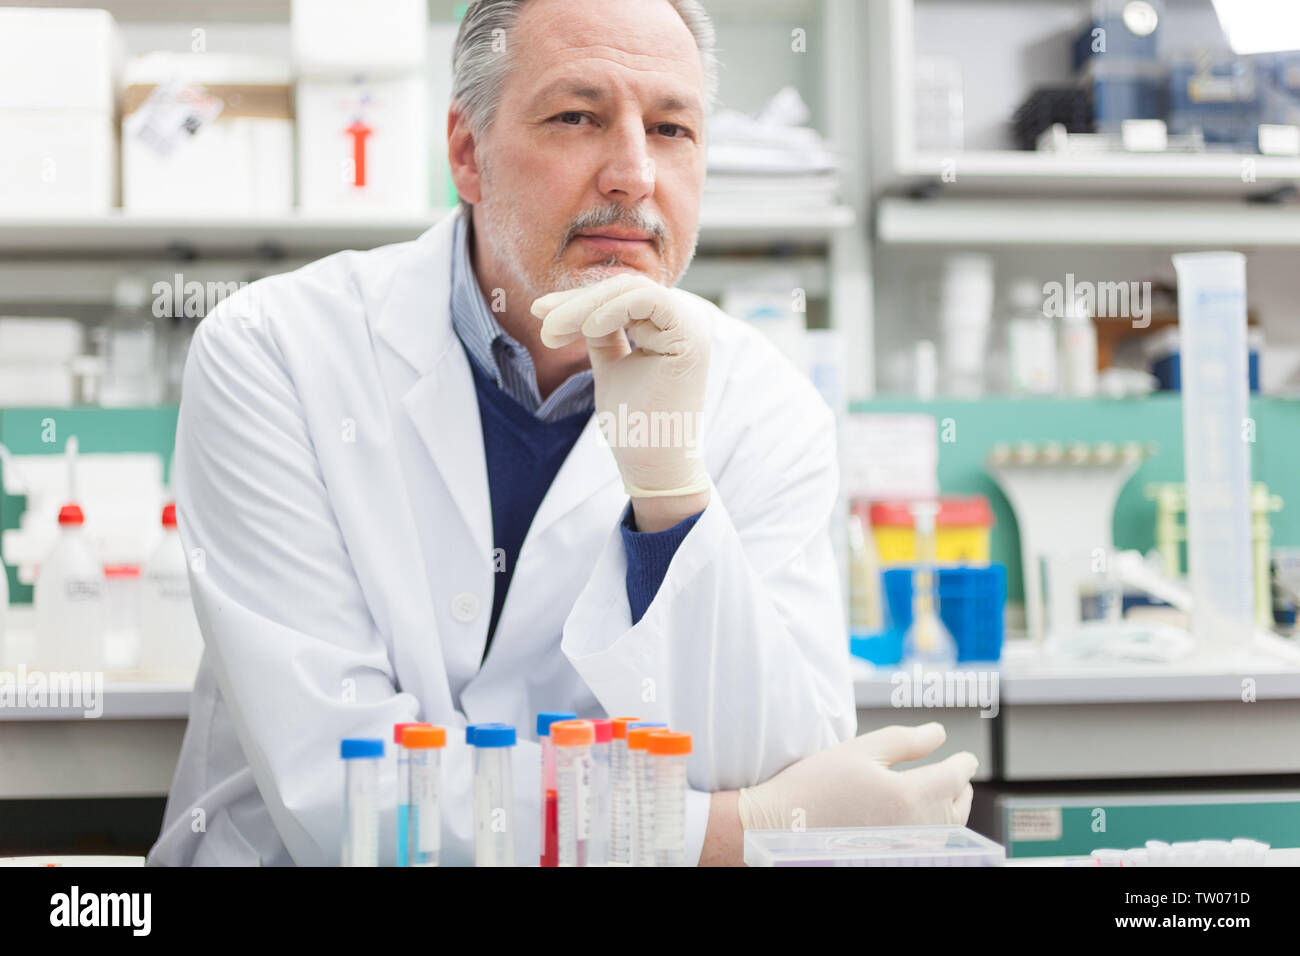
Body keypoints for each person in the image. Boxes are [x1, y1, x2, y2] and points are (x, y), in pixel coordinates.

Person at [149, 0, 976, 867]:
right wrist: (738, 830)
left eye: (671, 129)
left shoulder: (771, 408)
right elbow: (344, 792)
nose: (633, 173)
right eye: (577, 117)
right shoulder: (273, 352)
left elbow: (775, 759)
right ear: (468, 153)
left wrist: (671, 492)